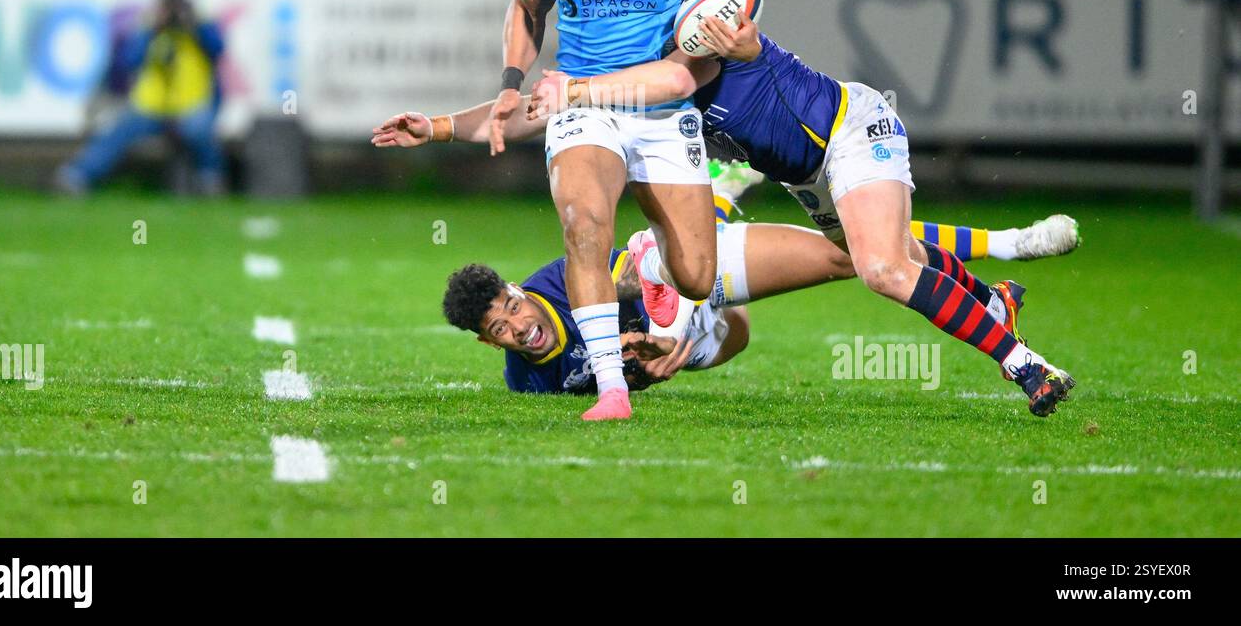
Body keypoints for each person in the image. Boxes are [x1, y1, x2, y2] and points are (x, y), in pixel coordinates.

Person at [526, 8, 1077, 416]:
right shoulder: (655, 101)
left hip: (849, 127)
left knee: (881, 269)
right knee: (892, 253)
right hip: (806, 174)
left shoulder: (701, 42)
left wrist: (739, 34)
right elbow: (713, 182)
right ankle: (991, 297)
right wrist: (452, 125)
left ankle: (1024, 365)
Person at [484, 0, 726, 420]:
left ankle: (650, 259)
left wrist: (709, 51)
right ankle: (612, 387)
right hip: (582, 102)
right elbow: (527, 9)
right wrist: (513, 81)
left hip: (661, 107)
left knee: (697, 278)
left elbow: (711, 27)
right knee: (586, 225)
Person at [440, 167, 1074, 402]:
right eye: (501, 328)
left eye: (512, 305)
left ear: (519, 289)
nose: (519, 323)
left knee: (856, 252)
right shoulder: (525, 380)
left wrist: (657, 319)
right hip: (711, 341)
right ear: (489, 343)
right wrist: (655, 360)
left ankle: (1005, 259)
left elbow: (631, 275)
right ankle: (713, 199)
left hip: (689, 294)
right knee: (693, 315)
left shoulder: (559, 282)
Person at [56, 0, 226, 194]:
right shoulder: (150, 31)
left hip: (191, 104)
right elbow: (129, 61)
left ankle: (210, 179)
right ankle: (77, 175)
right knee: (117, 131)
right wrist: (150, 28)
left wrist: (197, 23)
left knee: (198, 130)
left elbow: (218, 50)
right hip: (151, 105)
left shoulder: (199, 30)